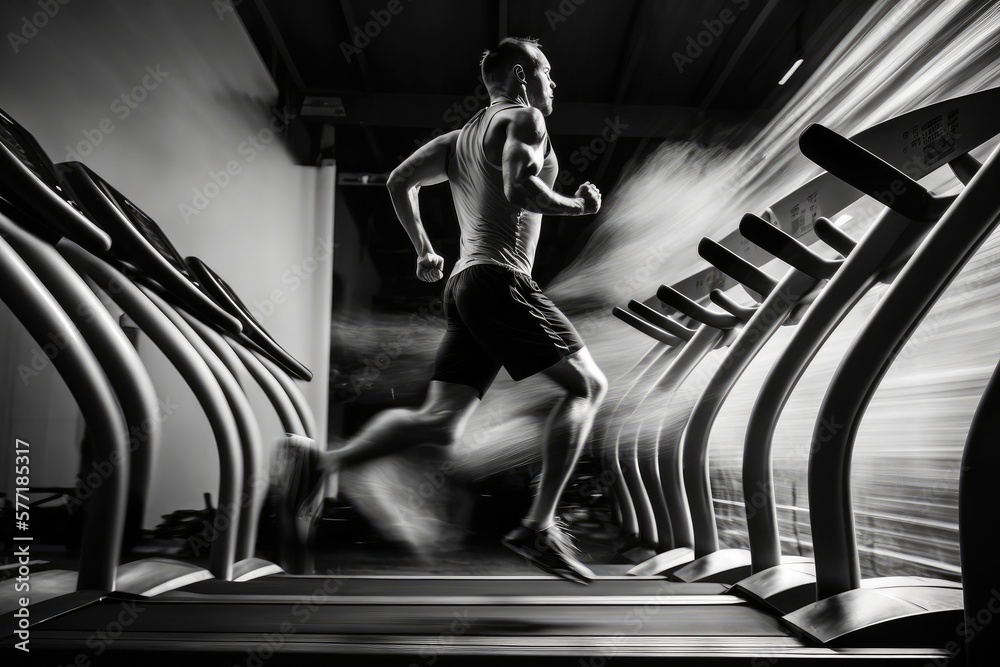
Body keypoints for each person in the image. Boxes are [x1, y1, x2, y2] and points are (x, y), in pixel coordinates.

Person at [276, 36, 608, 583]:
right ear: (521, 76)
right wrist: (579, 205)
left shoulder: (458, 140)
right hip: (501, 280)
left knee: (440, 425)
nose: (554, 84)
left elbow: (399, 181)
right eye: (548, 73)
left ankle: (321, 464)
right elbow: (519, 188)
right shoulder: (524, 119)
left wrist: (424, 249)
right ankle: (539, 527)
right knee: (588, 387)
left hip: (463, 285)